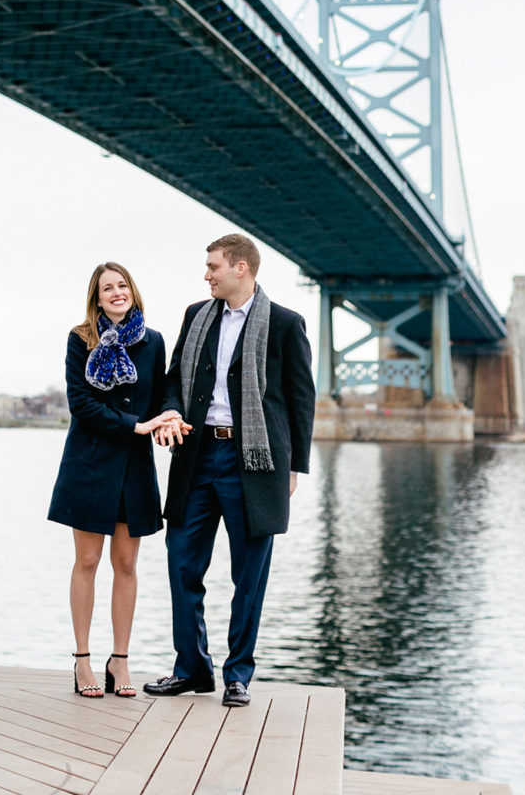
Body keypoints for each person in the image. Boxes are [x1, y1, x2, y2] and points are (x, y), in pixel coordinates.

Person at [144, 233, 315, 708]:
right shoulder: (196, 316)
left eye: (213, 266)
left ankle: (238, 674)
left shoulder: (285, 324)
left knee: (249, 575)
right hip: (197, 457)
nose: (207, 274)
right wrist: (173, 411)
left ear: (241, 268)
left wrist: (295, 466)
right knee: (182, 563)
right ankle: (190, 669)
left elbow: (301, 399)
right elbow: (174, 378)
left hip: (256, 464)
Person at [48, 262, 186, 698]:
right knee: (87, 562)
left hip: (135, 467)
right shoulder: (80, 338)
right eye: (107, 287)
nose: (116, 292)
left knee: (126, 564)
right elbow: (80, 403)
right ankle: (83, 662)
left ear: (132, 290)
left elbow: (164, 389)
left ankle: (120, 660)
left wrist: (169, 415)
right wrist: (135, 425)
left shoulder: (153, 340)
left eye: (122, 285)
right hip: (89, 463)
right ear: (97, 297)